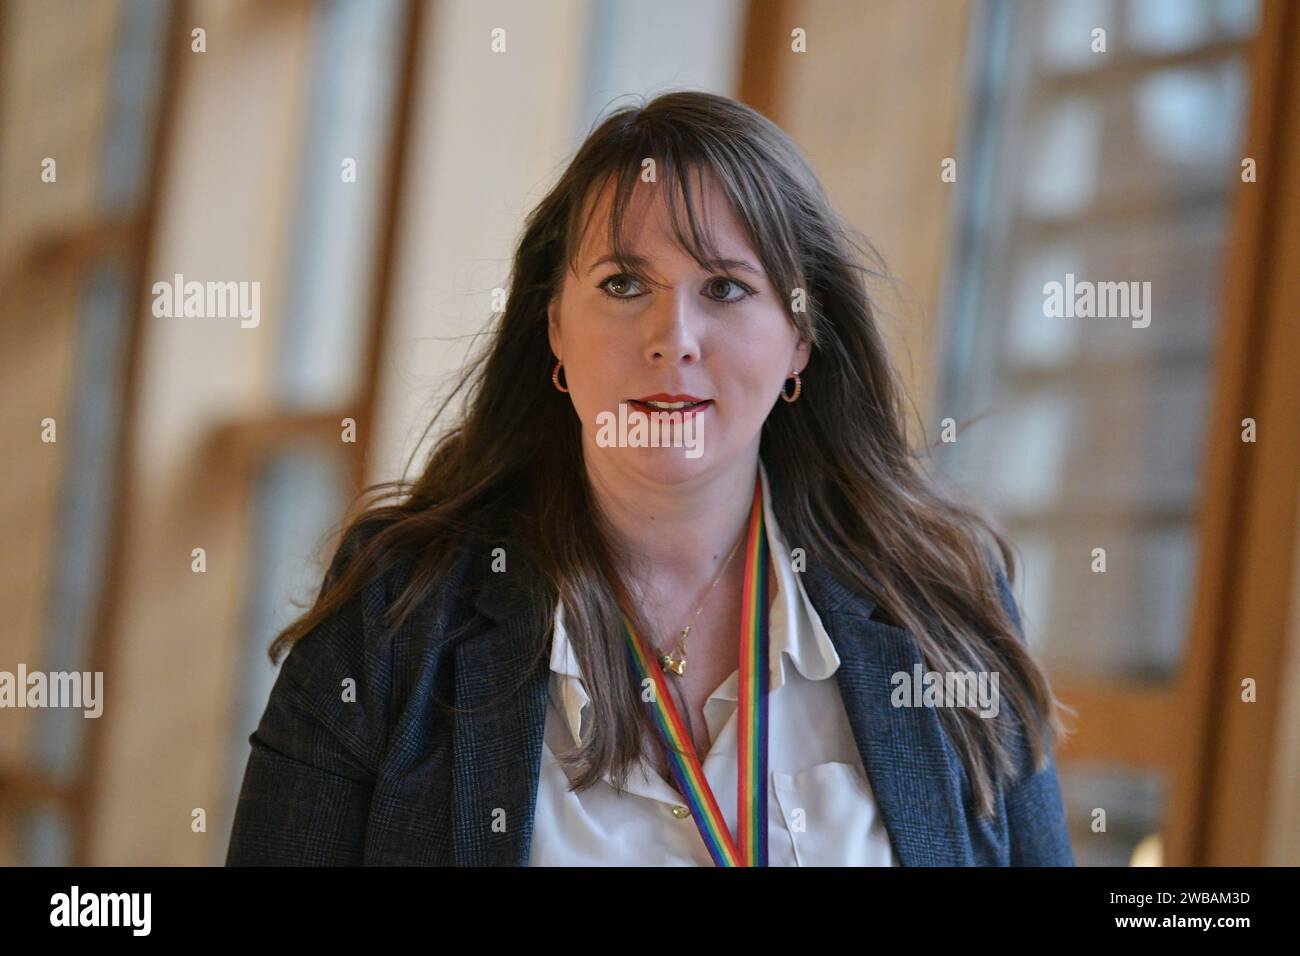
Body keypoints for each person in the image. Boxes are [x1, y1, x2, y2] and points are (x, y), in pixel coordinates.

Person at [225, 90, 1075, 866]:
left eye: (726, 288)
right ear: (554, 325)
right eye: (624, 283)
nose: (674, 338)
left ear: (800, 342)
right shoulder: (398, 611)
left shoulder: (941, 604)